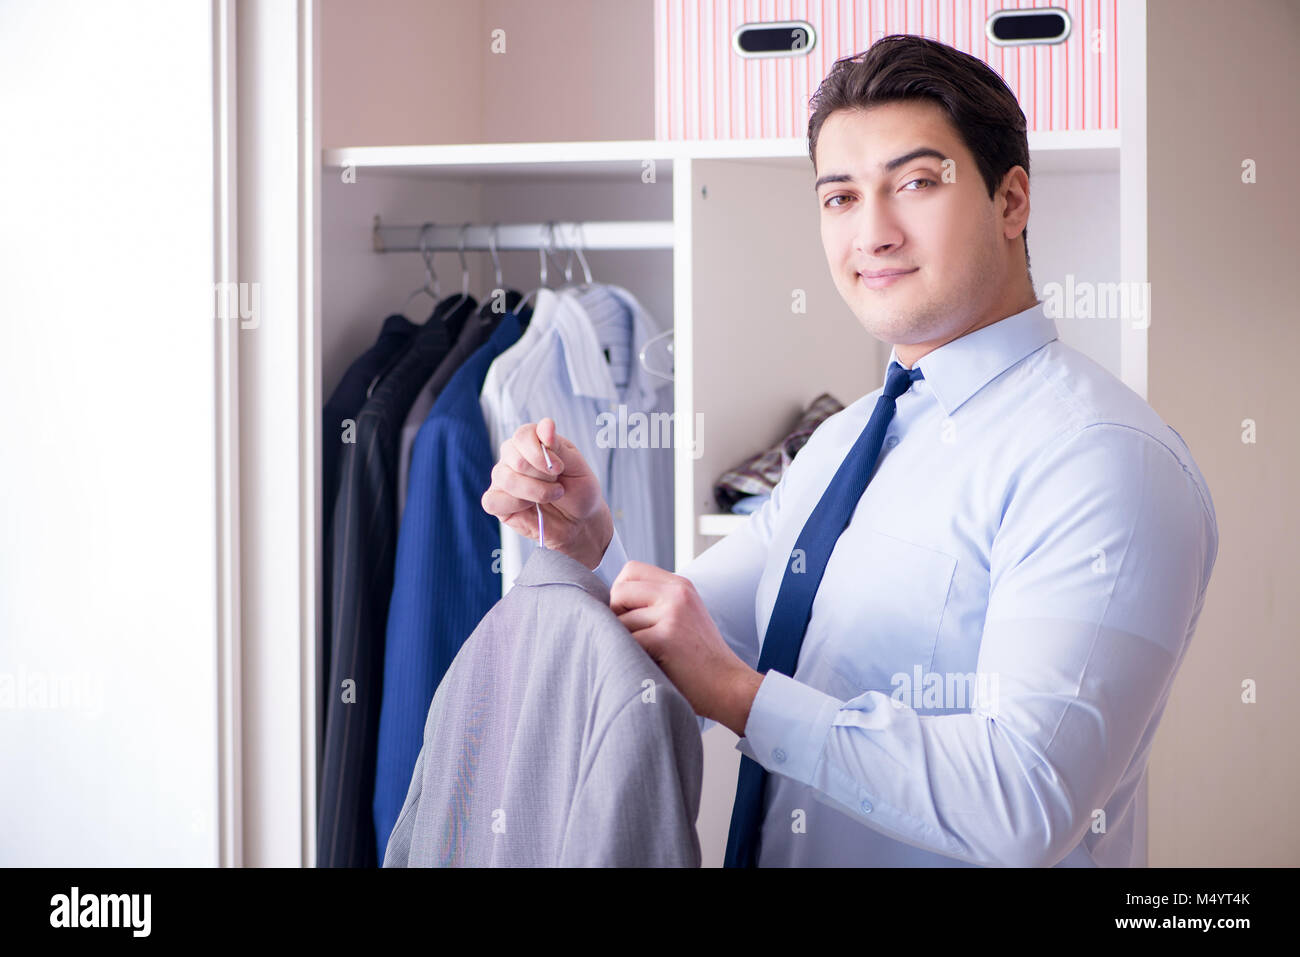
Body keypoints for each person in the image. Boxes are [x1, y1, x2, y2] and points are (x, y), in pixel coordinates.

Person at [480, 35, 1218, 867]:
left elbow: (1026, 800)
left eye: (915, 183)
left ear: (1011, 202)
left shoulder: (1102, 461)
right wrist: (589, 548)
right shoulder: (840, 445)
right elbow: (684, 642)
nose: (873, 233)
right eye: (840, 197)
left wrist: (742, 697)